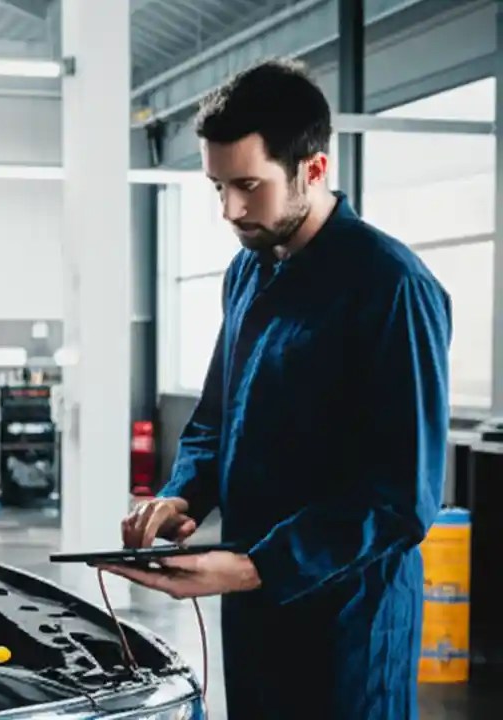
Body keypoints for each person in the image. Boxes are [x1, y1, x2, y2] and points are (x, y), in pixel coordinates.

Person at [103, 59, 453, 719]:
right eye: (217, 187)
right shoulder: (248, 271)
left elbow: (400, 499)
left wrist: (256, 567)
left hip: (350, 625)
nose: (230, 211)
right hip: (256, 612)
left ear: (313, 169)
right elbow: (217, 419)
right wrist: (183, 494)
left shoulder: (391, 288)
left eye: (248, 186)